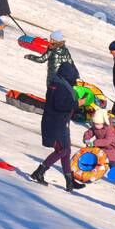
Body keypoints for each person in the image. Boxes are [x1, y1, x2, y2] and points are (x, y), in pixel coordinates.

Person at [31, 63, 84, 192]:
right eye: (74, 78)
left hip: (59, 122)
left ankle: (69, 181)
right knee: (63, 150)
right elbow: (60, 105)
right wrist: (77, 103)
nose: (74, 81)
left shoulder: (58, 83)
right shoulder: (59, 87)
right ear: (68, 75)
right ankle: (40, 171)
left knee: (66, 151)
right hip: (56, 123)